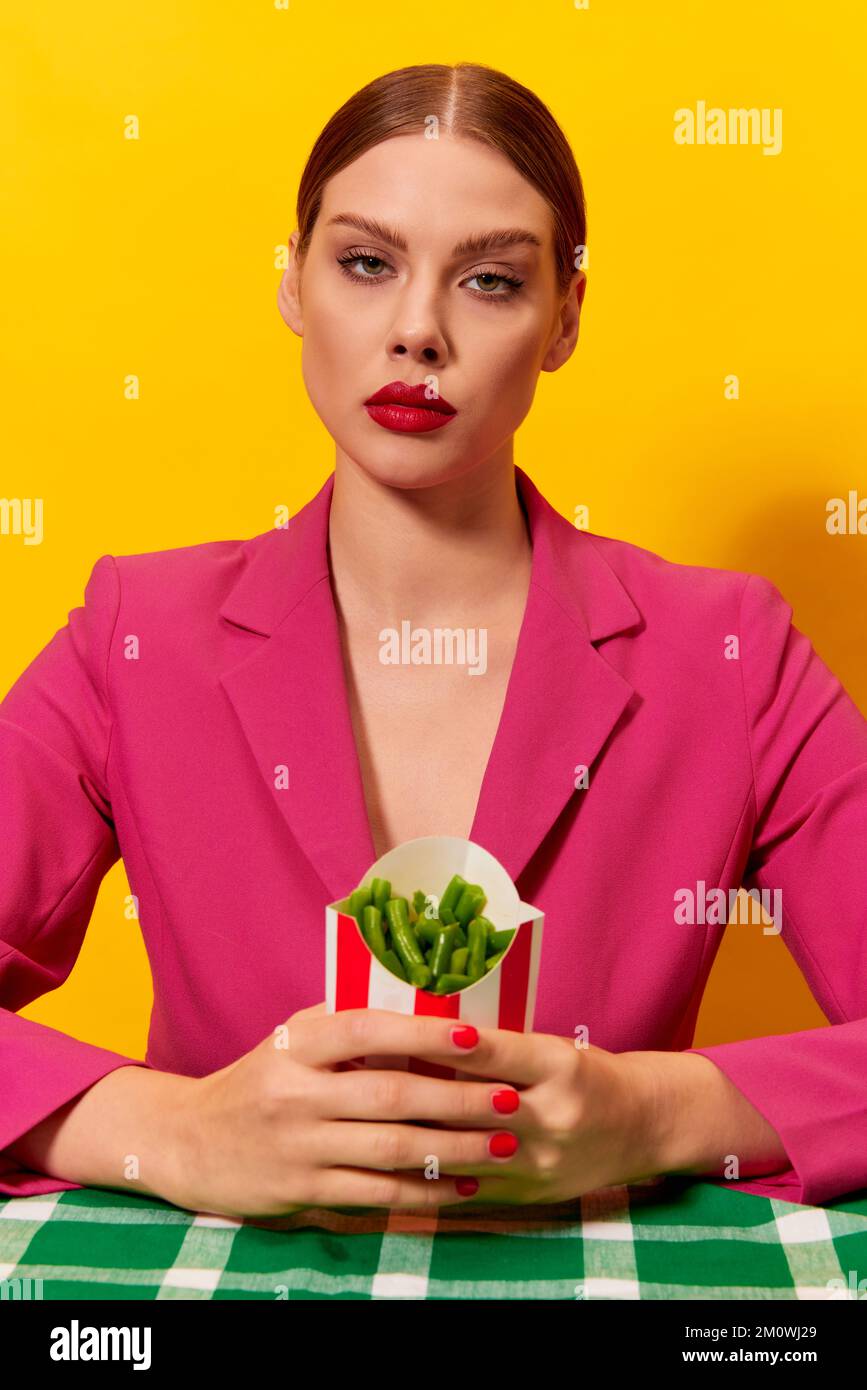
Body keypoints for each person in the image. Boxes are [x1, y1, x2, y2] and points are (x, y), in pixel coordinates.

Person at [2, 63, 866, 1219]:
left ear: (565, 316)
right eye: (366, 262)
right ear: (293, 283)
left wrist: (656, 1115)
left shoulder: (732, 652)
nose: (418, 331)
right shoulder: (136, 636)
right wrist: (169, 1128)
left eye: (492, 281)